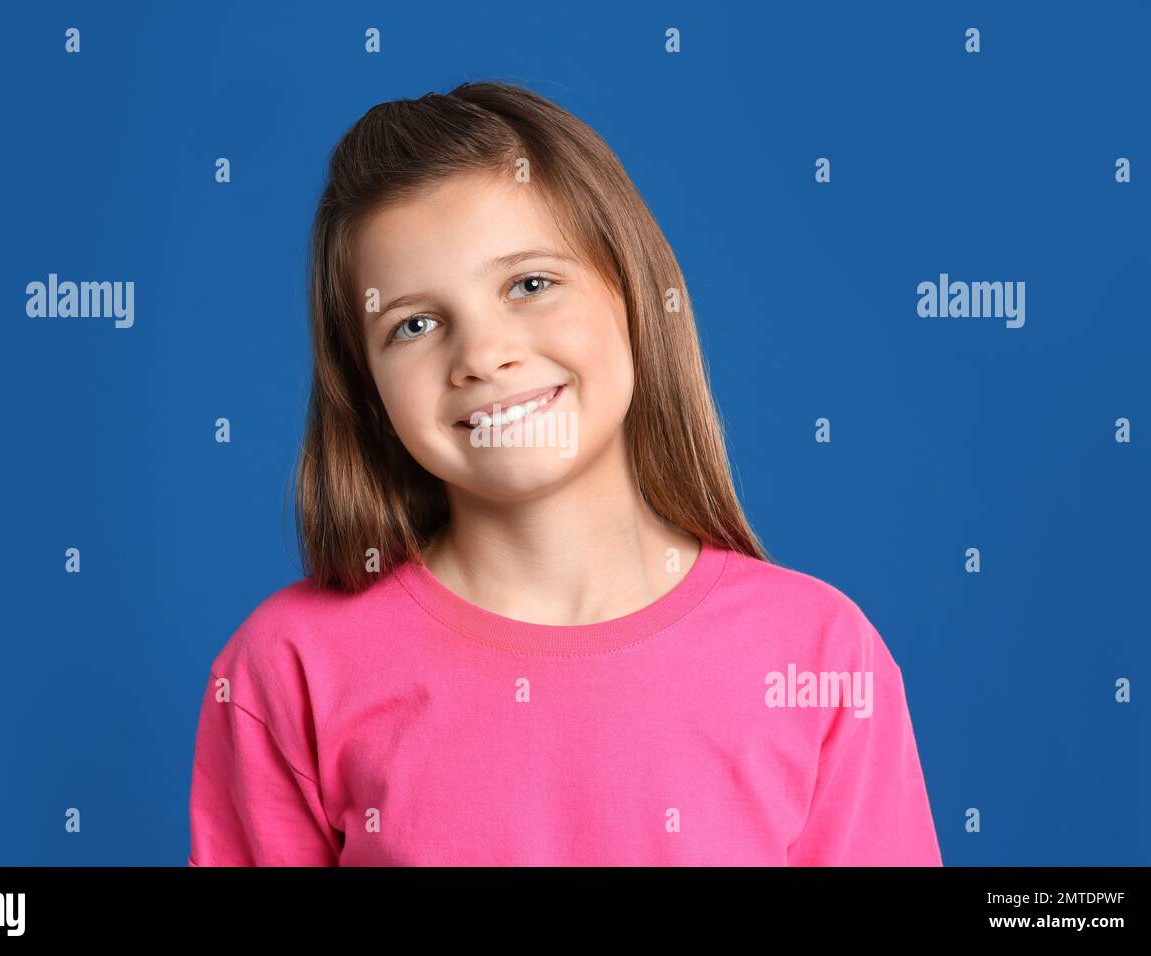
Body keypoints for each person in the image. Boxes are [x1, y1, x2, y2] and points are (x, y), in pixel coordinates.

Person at [187, 81, 943, 866]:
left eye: (530, 284)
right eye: (413, 324)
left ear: (635, 296)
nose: (481, 354)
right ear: (367, 388)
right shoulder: (286, 668)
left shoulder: (818, 656)